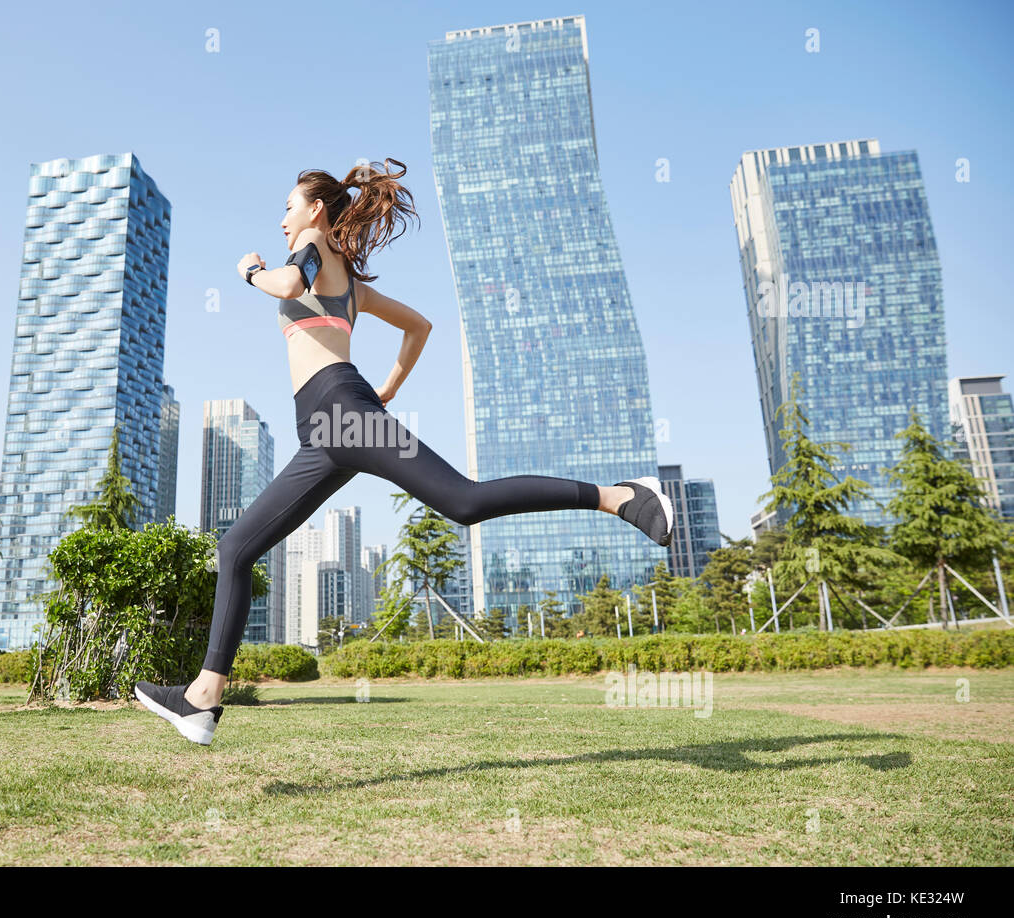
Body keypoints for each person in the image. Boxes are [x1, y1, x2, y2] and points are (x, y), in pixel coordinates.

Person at [134, 158, 673, 745]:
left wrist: (249, 272)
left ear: (315, 209)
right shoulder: (352, 286)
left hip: (343, 414)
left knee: (464, 502)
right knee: (236, 546)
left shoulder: (311, 243)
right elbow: (418, 327)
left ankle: (621, 496)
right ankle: (202, 699)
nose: (284, 221)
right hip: (327, 431)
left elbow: (291, 284)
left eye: (288, 208)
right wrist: (388, 389)